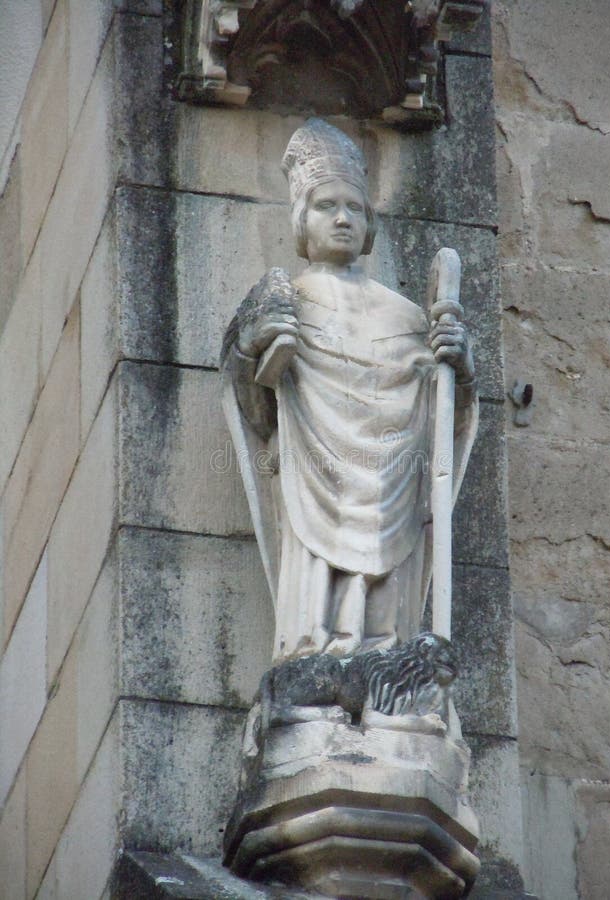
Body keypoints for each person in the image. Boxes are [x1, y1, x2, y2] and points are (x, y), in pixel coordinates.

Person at [222, 118, 477, 662]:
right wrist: (249, 347)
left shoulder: (407, 318)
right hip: (315, 475)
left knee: (387, 616)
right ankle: (314, 649)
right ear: (301, 219)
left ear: (369, 223)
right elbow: (257, 414)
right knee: (317, 599)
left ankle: (386, 657)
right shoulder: (283, 301)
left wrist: (460, 368)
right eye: (326, 206)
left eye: (354, 208)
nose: (342, 218)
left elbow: (443, 421)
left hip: (393, 486)